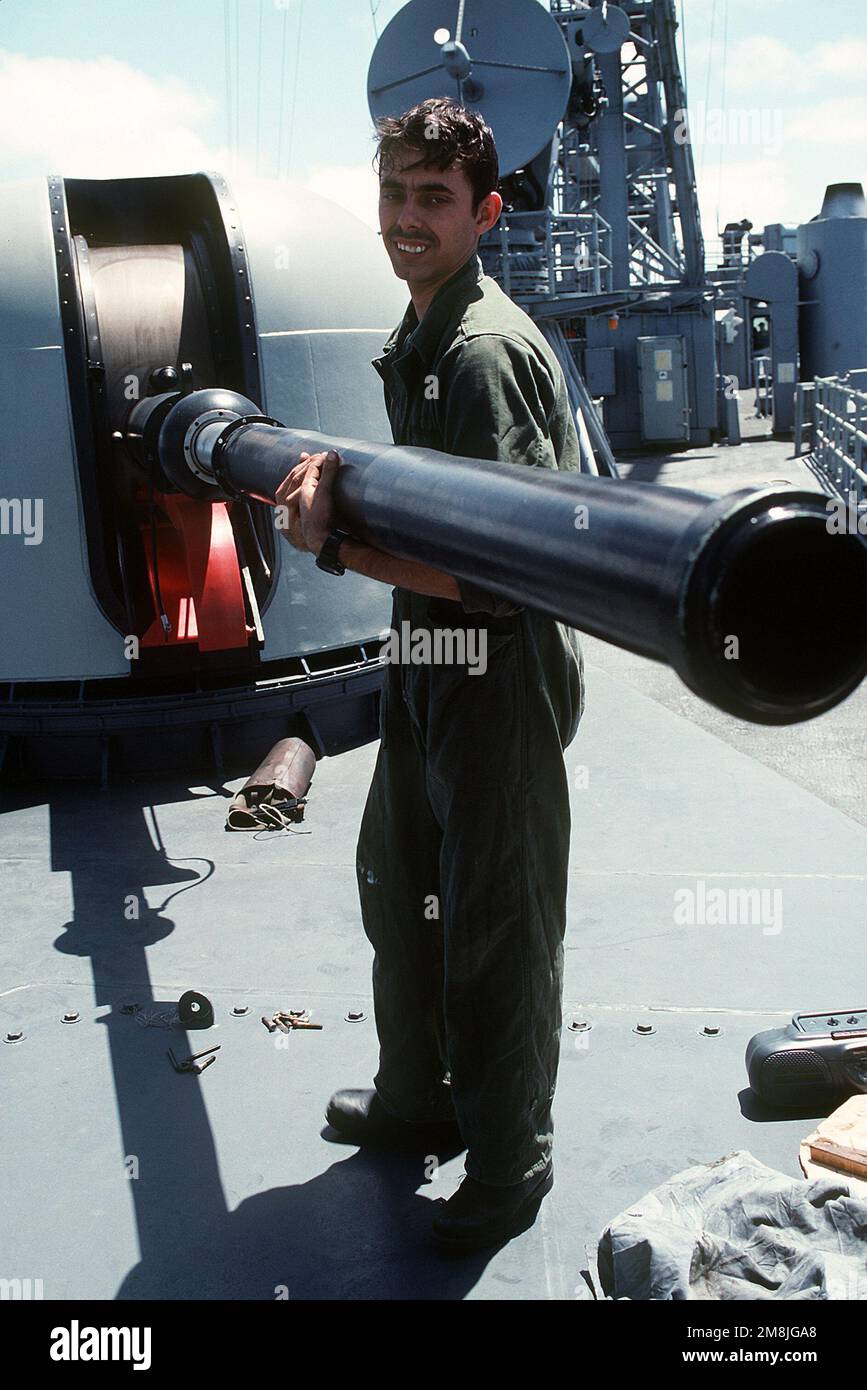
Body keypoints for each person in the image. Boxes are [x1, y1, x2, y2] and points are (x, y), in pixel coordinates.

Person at [275, 97, 585, 1251]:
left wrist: (336, 544)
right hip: (429, 651)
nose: (408, 218)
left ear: (484, 212)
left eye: (434, 199)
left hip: (494, 669)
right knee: (400, 882)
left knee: (493, 923)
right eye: (396, 193)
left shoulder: (482, 349)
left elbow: (500, 575)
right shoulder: (424, 325)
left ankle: (510, 1168)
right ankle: (421, 1097)